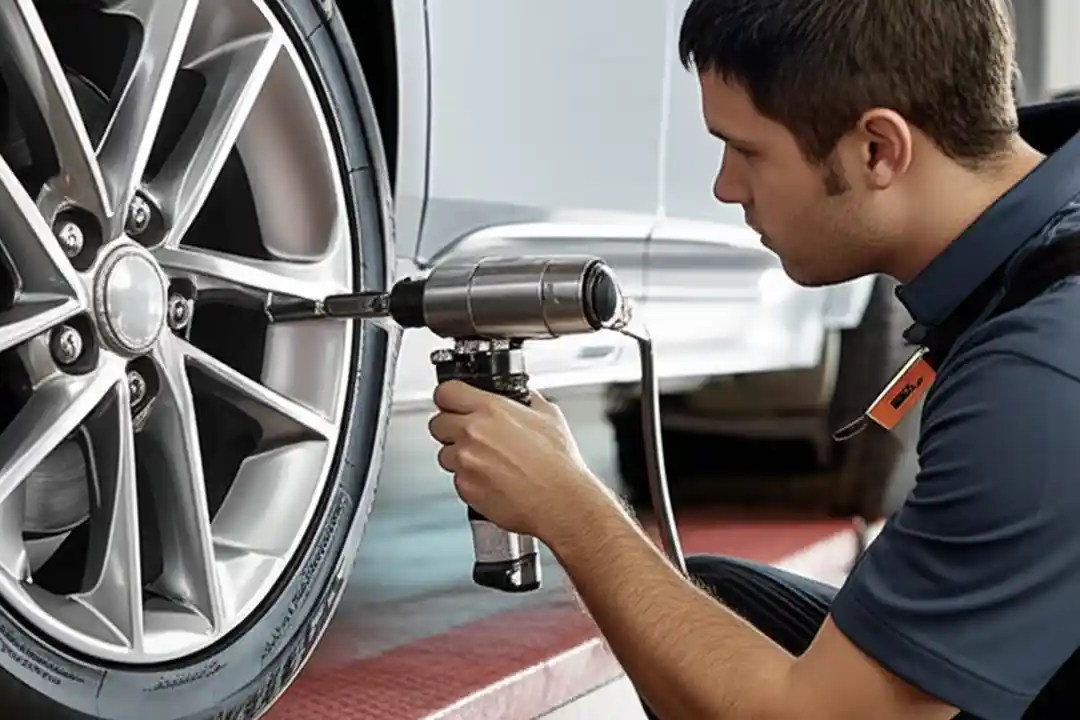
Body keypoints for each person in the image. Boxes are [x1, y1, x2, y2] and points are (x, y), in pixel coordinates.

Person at [426, 0, 1080, 717]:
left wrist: (569, 507)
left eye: (748, 151)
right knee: (715, 610)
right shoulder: (1035, 252)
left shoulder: (1039, 377)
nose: (725, 187)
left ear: (877, 150)